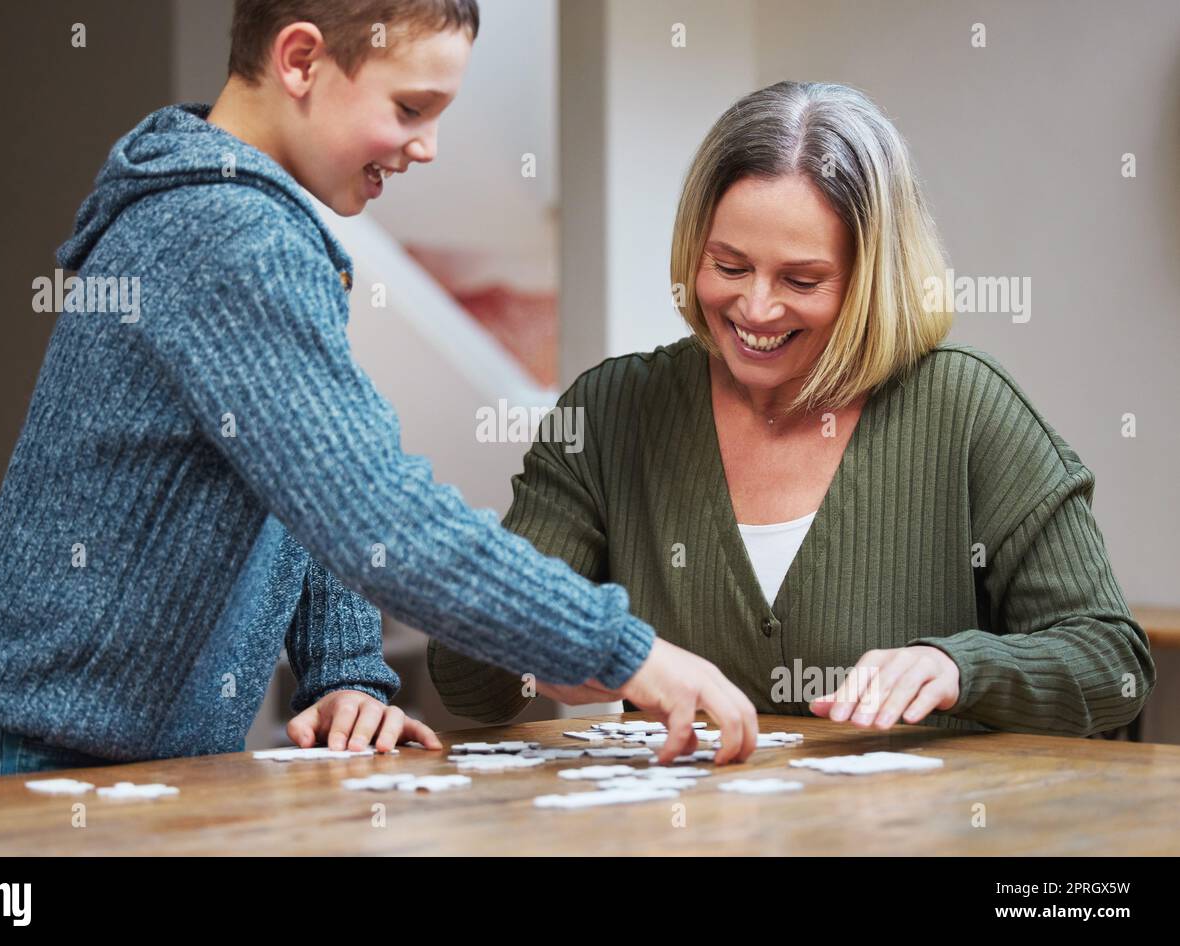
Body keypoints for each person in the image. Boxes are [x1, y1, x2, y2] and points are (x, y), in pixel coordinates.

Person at [0, 0, 759, 780]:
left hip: (125, 758)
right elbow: (375, 511)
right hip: (40, 760)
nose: (427, 145)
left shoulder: (246, 220)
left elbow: (303, 478)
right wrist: (627, 652)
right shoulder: (230, 237)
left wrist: (345, 674)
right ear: (299, 60)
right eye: (411, 108)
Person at [429, 81, 1155, 739]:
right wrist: (538, 646)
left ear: (874, 282)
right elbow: (463, 680)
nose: (756, 308)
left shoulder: (967, 410)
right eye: (729, 266)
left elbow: (1112, 662)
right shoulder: (612, 411)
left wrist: (961, 667)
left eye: (802, 279)